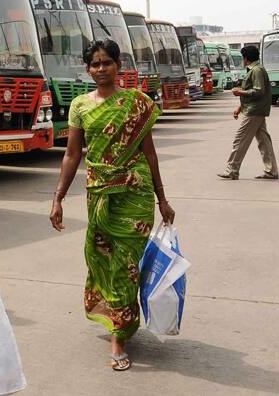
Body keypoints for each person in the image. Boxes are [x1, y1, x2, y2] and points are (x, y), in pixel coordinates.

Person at [49, 39, 176, 372]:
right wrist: (58, 197)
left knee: (126, 263)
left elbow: (150, 153)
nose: (101, 68)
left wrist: (162, 198)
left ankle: (119, 334)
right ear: (88, 69)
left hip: (135, 194)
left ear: (119, 65)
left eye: (107, 62)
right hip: (100, 194)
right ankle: (121, 318)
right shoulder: (79, 105)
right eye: (95, 63)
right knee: (102, 259)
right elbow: (72, 155)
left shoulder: (138, 103)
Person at [217, 45, 279, 180]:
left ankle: (232, 170)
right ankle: (271, 171)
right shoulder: (256, 69)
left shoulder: (256, 70)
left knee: (240, 140)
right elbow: (254, 92)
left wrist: (240, 92)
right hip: (255, 110)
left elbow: (258, 91)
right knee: (264, 141)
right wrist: (239, 108)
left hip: (254, 112)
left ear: (246, 58)